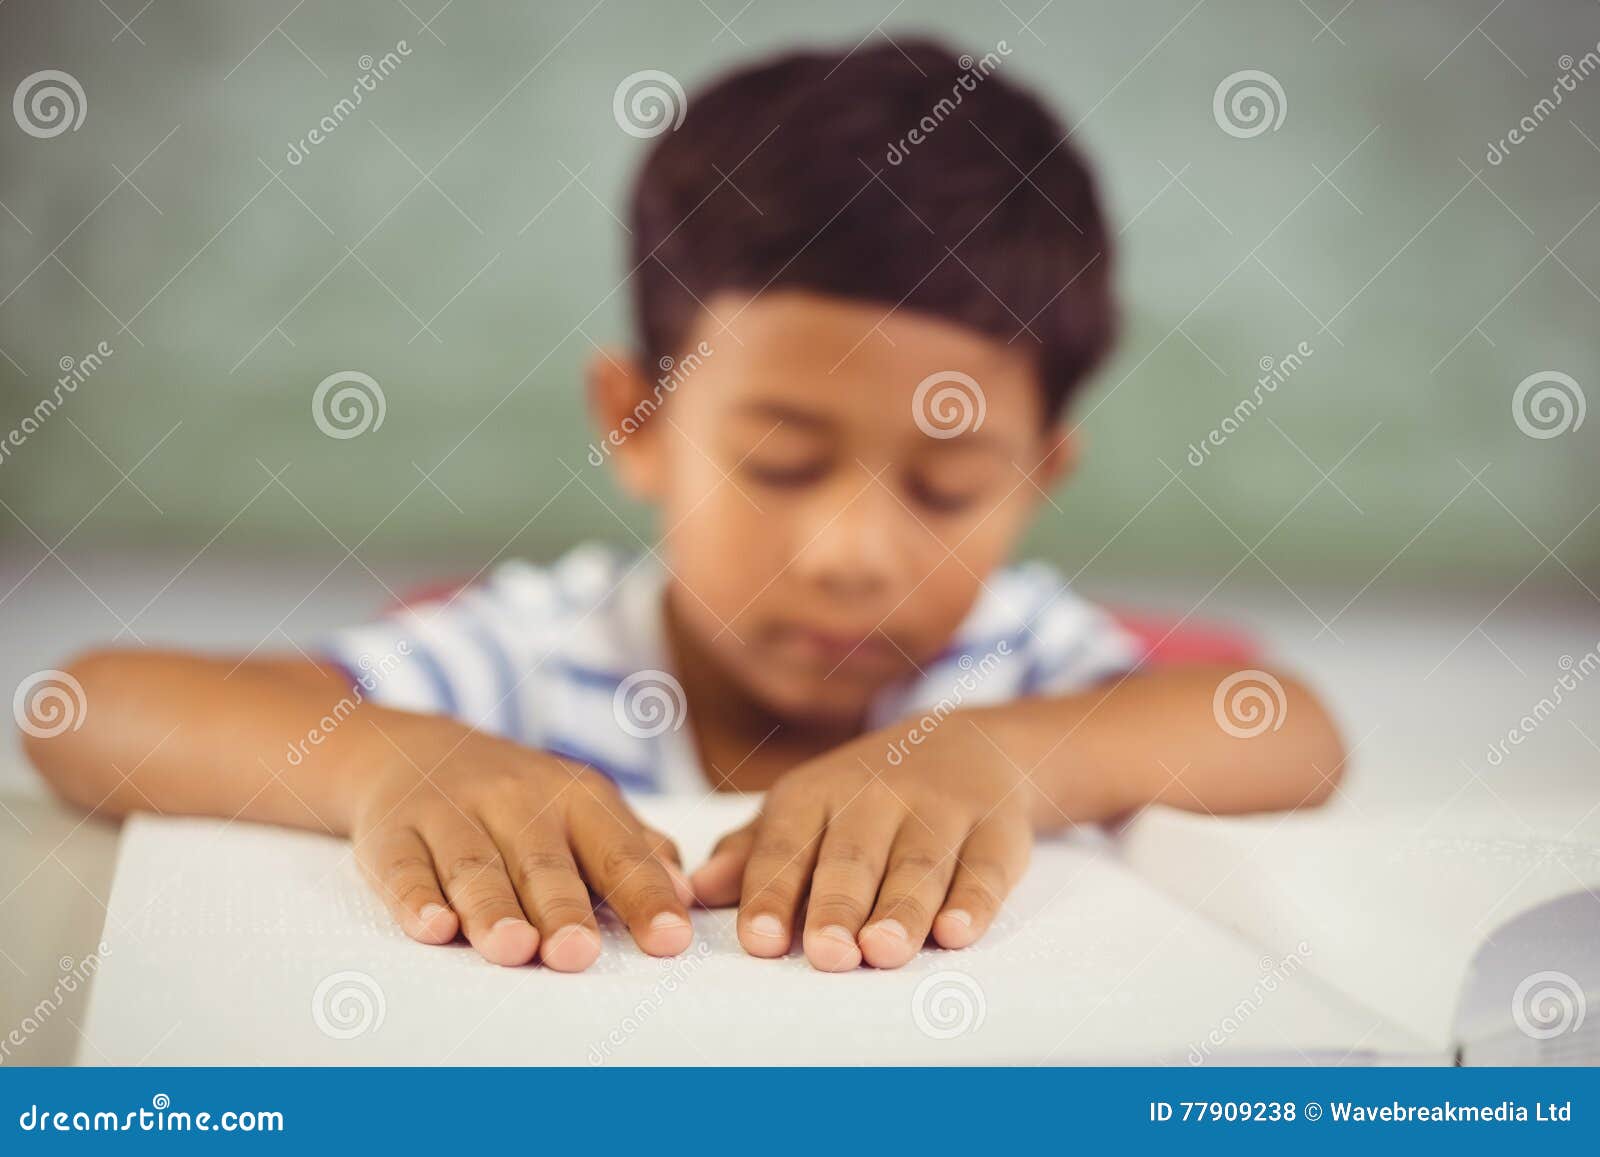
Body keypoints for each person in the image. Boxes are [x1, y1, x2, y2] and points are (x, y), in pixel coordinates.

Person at [23, 39, 1345, 974]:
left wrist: (1010, 757)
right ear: (636, 425)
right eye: (778, 461)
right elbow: (82, 711)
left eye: (947, 483)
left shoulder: (1028, 660)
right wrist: (391, 760)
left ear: (1040, 475)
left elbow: (1288, 729)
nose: (852, 554)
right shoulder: (531, 656)